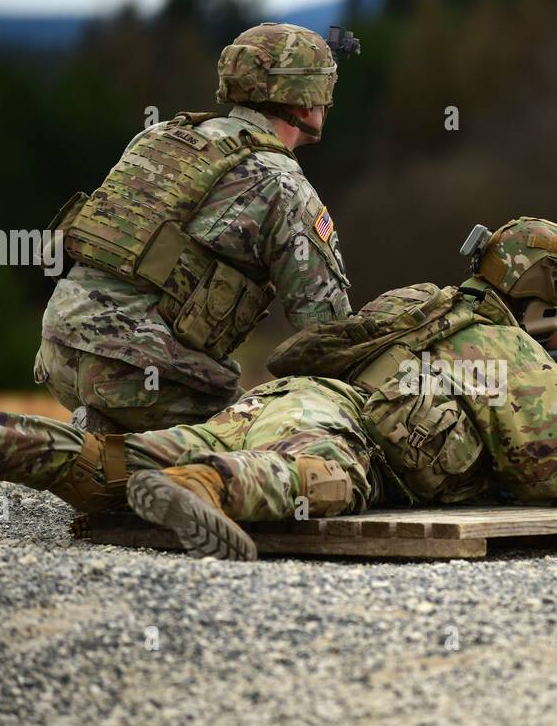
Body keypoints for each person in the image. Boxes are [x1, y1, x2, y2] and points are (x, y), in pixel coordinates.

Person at [0, 218, 557, 561]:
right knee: (314, 479)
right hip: (334, 434)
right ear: (546, 299)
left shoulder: (417, 303)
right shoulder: (506, 347)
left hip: (277, 403)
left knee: (110, 464)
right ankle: (200, 488)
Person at [36, 22, 355, 434]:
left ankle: (114, 437)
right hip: (145, 377)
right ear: (304, 102)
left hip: (58, 353)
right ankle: (123, 440)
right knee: (270, 440)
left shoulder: (159, 136)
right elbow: (327, 335)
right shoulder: (285, 185)